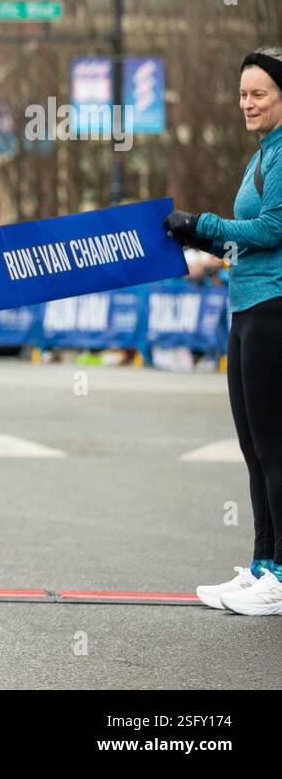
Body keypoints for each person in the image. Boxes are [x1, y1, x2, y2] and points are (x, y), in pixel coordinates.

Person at [167, 47, 282, 616]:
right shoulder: (260, 156)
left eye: (260, 93)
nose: (248, 103)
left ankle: (280, 576)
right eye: (243, 94)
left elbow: (272, 227)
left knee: (273, 445)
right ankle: (264, 564)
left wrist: (203, 223)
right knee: (252, 447)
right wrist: (198, 244)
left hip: (273, 308)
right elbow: (244, 240)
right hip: (245, 307)